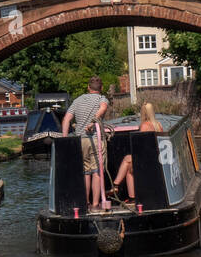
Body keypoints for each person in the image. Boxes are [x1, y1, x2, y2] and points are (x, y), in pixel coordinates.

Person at [61, 75, 110, 211]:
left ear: (88, 87)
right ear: (102, 88)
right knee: (97, 172)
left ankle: (86, 202)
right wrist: (94, 120)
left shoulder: (77, 100)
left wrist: (65, 139)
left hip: (81, 140)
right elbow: (103, 108)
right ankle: (95, 204)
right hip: (95, 139)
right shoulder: (102, 98)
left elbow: (66, 119)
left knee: (85, 172)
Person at [111, 102, 164, 206]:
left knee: (127, 160)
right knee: (129, 166)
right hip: (156, 158)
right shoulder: (159, 125)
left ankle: (117, 186)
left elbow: (141, 146)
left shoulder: (144, 126)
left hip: (147, 160)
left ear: (143, 112)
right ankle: (128, 196)